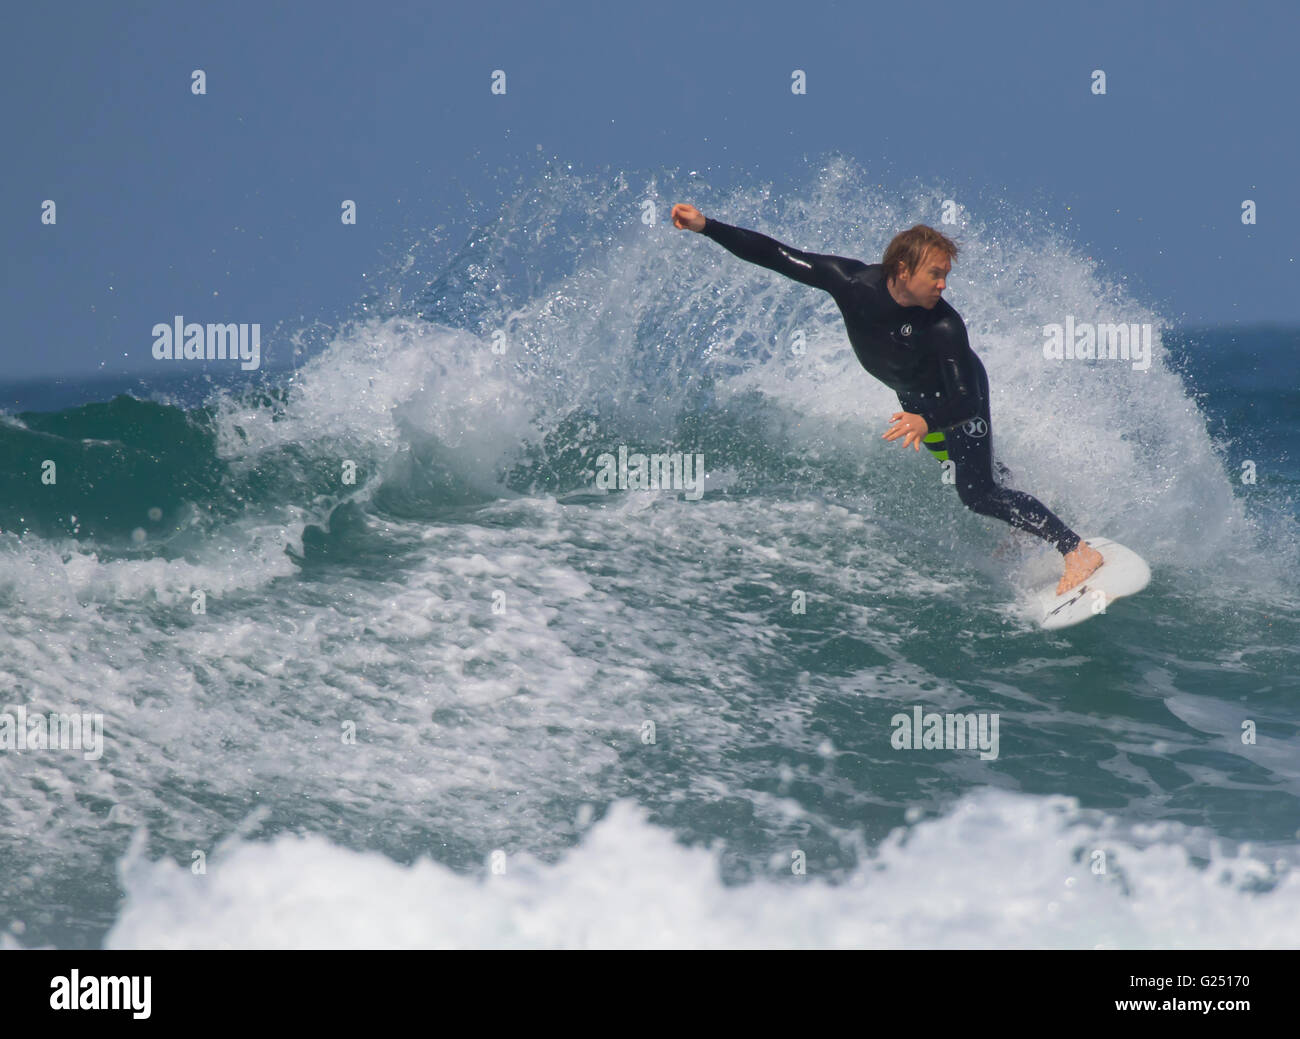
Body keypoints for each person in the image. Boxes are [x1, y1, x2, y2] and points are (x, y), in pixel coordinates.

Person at [671, 202, 1103, 594]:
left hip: (953, 400)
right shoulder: (852, 283)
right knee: (968, 470)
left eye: (946, 275)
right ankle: (1021, 516)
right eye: (935, 274)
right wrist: (706, 226)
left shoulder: (944, 325)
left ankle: (1075, 550)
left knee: (977, 492)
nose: (943, 285)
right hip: (914, 403)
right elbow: (775, 254)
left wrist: (926, 421)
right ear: (902, 270)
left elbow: (968, 401)